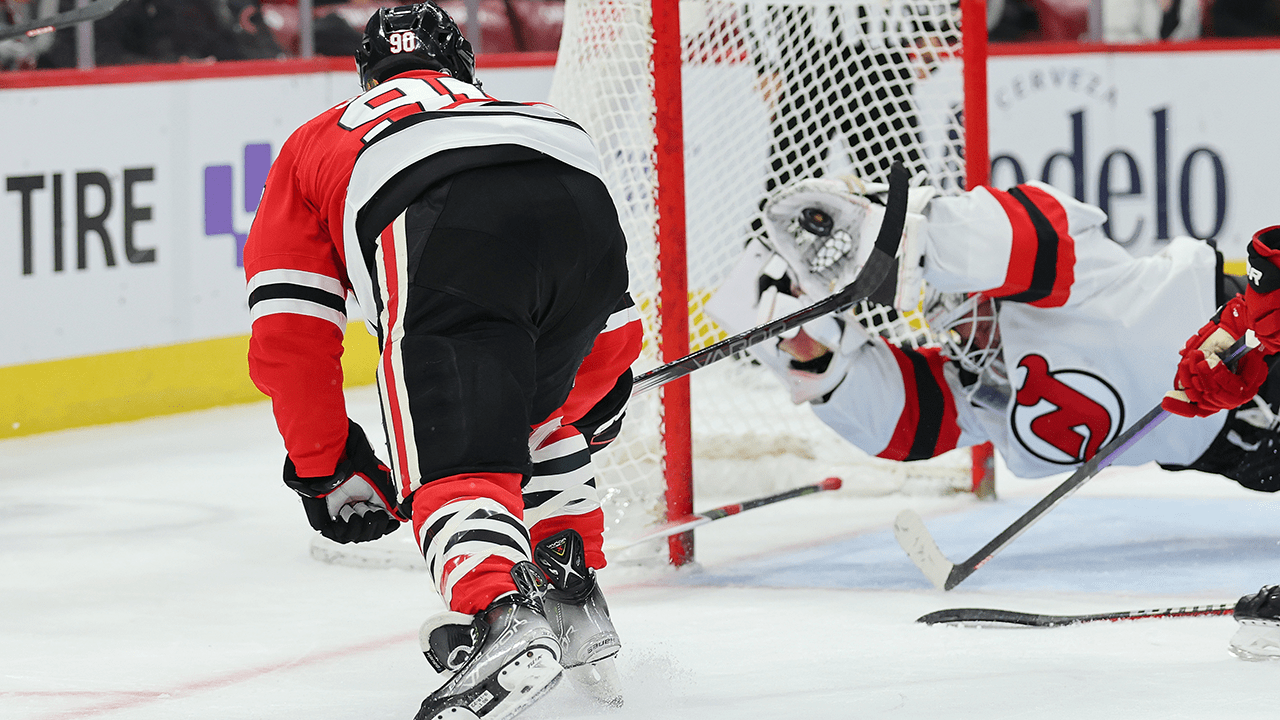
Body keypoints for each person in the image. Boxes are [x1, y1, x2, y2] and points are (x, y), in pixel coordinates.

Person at [242, 3, 642, 719]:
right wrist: (598, 395)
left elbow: (290, 330)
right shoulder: (531, 112)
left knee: (455, 464)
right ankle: (569, 586)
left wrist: (325, 463)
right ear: (462, 67)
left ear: (365, 75)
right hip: (577, 207)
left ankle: (503, 614)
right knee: (537, 414)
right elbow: (611, 303)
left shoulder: (317, 139)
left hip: (445, 225)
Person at [705, 172, 1280, 495]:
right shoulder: (982, 392)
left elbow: (1022, 237)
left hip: (1249, 330)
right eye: (939, 314)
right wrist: (812, 356)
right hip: (1234, 450)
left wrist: (894, 234)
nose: (950, 327)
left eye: (956, 299)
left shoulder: (1075, 277)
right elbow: (907, 422)